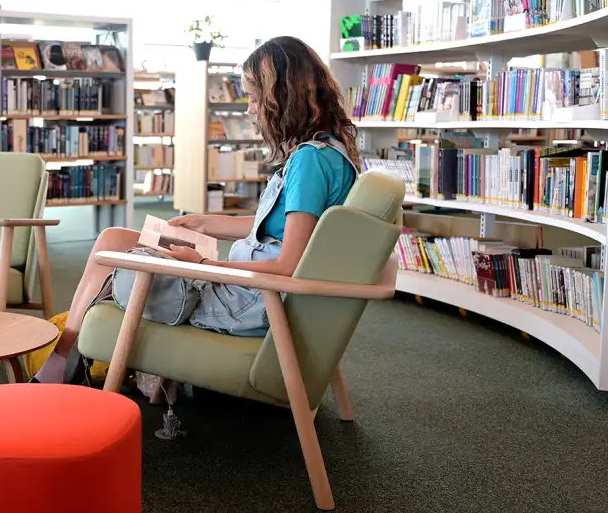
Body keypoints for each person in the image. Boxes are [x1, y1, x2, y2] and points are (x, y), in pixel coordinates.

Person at [33, 36, 362, 384]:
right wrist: (207, 224)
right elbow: (284, 226)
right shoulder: (328, 153)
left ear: (284, 97)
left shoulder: (309, 161)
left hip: (244, 300)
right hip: (247, 290)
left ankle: (61, 360)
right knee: (114, 237)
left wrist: (206, 265)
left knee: (112, 254)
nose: (250, 109)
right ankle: (65, 355)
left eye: (253, 98)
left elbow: (287, 264)